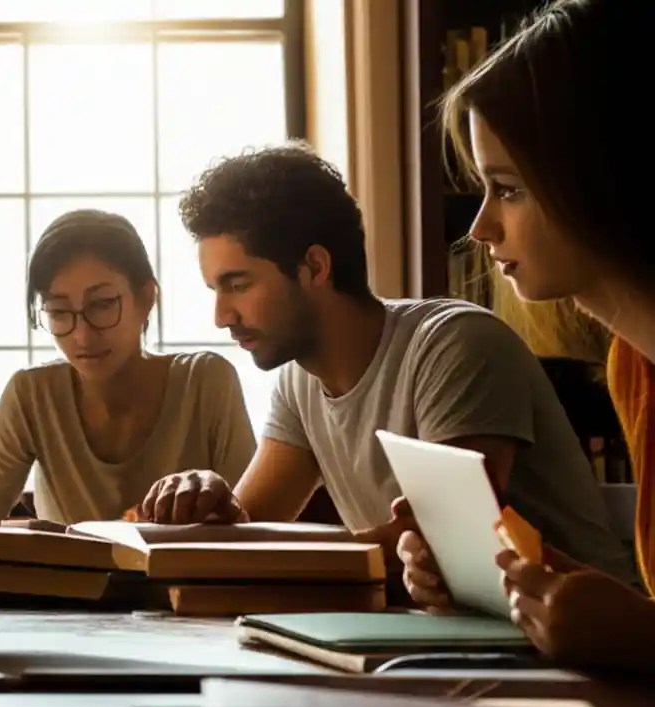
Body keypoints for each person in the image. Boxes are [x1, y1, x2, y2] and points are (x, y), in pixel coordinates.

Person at [137, 143, 634, 586]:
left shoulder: (455, 343)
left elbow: (443, 539)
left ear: (315, 267)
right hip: (457, 641)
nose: (222, 316)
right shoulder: (298, 380)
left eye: (238, 285)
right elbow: (249, 527)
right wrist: (210, 503)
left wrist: (255, 546)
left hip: (592, 650)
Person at [399, 0, 655, 669]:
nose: (480, 228)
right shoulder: (633, 363)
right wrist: (516, 580)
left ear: (598, 176)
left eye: (507, 189)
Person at [0, 209, 256, 527]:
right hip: (66, 578)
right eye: (60, 311)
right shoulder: (33, 395)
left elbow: (253, 520)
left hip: (185, 577)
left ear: (147, 298)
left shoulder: (204, 382)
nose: (82, 336)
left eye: (103, 304)